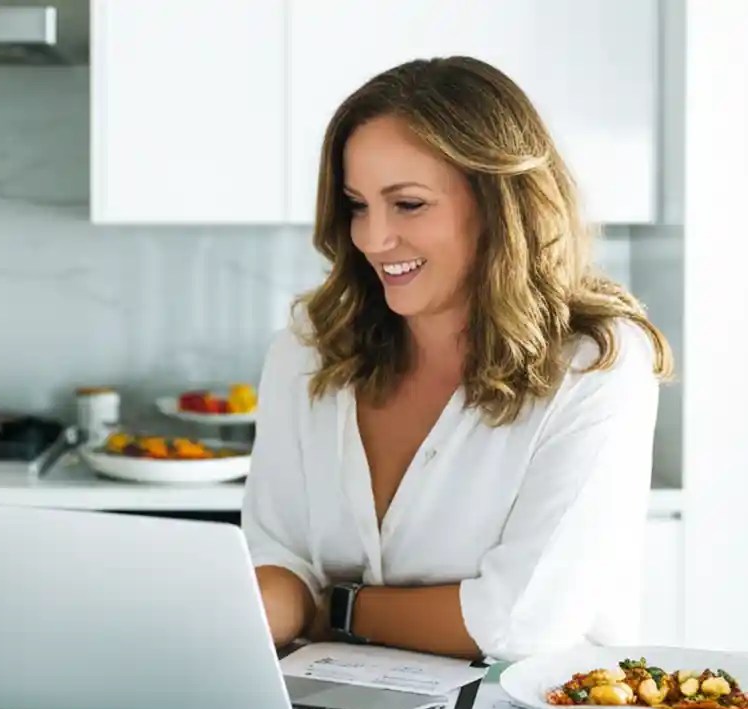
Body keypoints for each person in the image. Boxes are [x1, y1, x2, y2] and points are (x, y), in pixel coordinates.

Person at [241, 56, 673, 663]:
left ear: (500, 204)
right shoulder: (312, 347)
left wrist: (329, 608)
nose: (371, 237)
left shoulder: (595, 364)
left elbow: (521, 623)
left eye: (409, 204)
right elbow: (276, 553)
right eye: (357, 204)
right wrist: (252, 601)